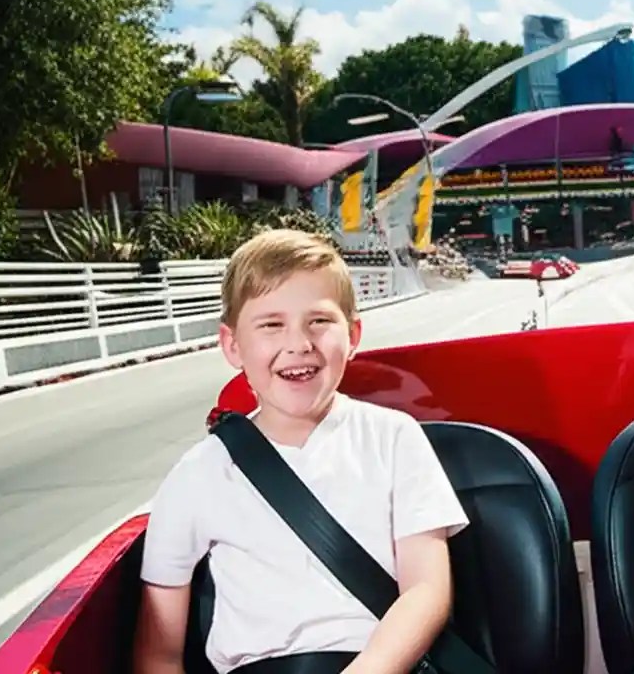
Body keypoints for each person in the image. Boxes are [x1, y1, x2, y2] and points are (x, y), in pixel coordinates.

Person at [133, 229, 468, 674]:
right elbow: (159, 652)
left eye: (319, 322)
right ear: (233, 346)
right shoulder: (197, 474)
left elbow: (426, 590)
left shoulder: (394, 438)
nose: (299, 343)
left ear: (352, 336)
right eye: (272, 325)